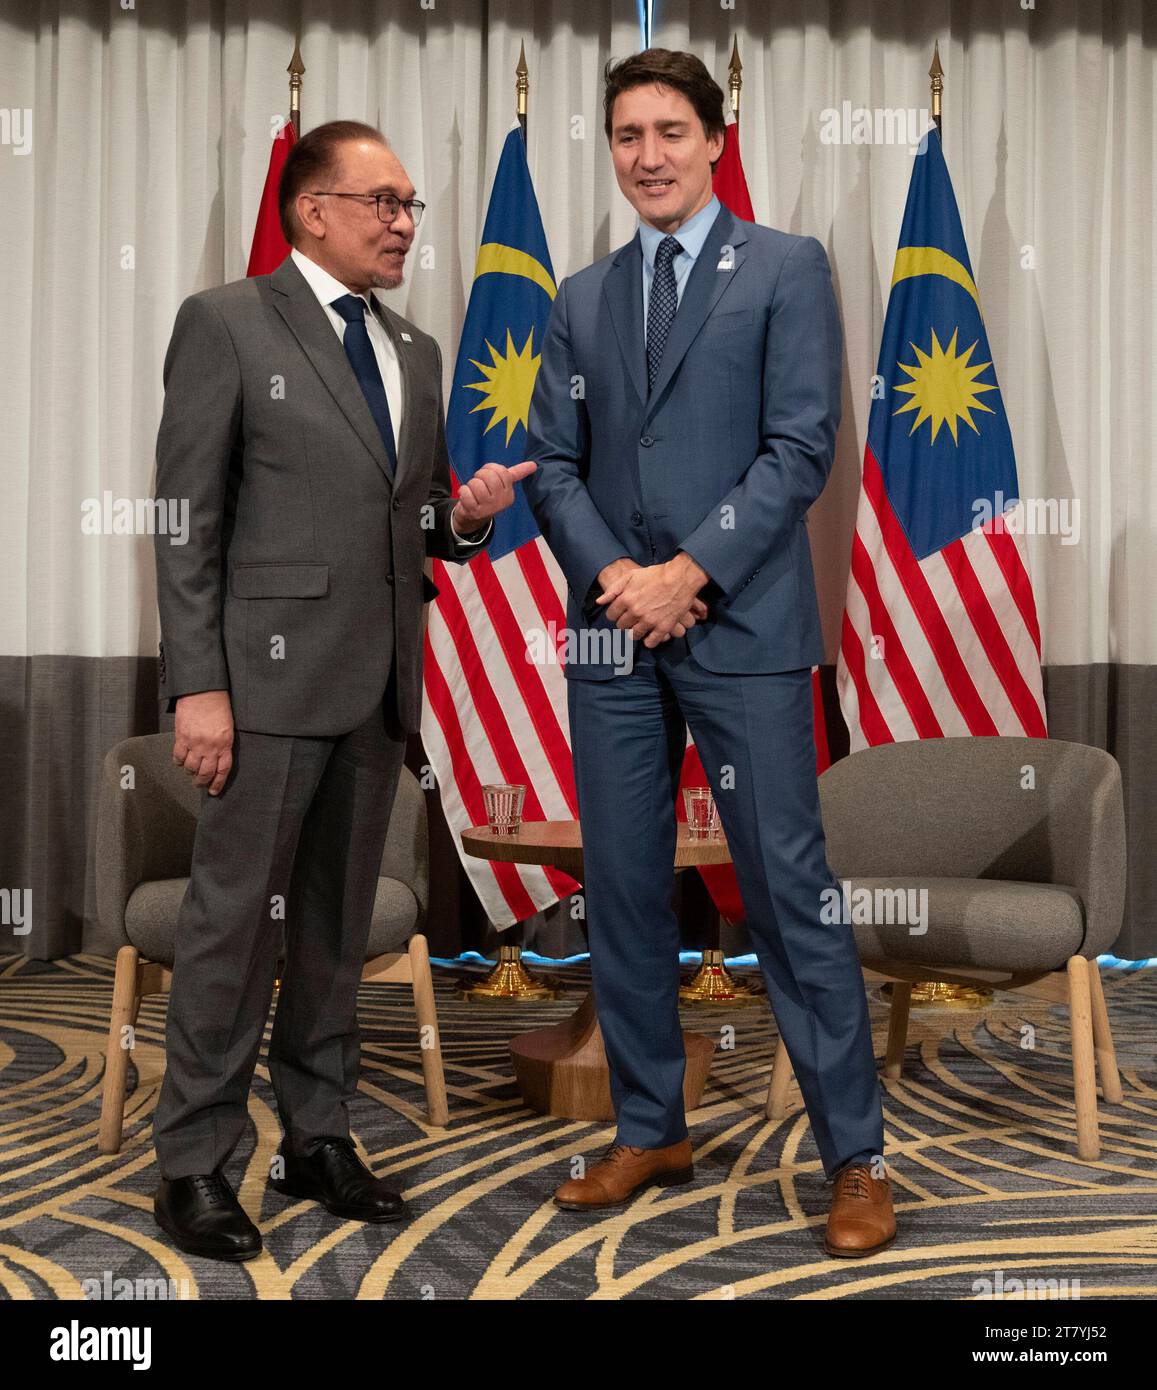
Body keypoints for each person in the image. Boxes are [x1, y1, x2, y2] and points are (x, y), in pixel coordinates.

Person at [522, 50, 895, 1257]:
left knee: (785, 894)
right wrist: (618, 583)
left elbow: (800, 446)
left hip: (738, 623)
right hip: (612, 633)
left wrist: (687, 572)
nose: (646, 154)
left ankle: (855, 1155)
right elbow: (554, 466)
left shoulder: (785, 267)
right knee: (623, 888)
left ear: (713, 139)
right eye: (626, 134)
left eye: (669, 131)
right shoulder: (577, 295)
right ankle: (648, 1126)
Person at [151, 119, 533, 1261]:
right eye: (383, 201)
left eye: (410, 205)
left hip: (376, 692)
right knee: (231, 934)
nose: (405, 223)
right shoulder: (224, 322)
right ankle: (194, 1165)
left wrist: (456, 522)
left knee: (329, 937)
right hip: (259, 693)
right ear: (312, 209)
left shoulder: (414, 349)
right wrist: (199, 688)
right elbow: (187, 526)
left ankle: (314, 1136)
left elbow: (404, 520)